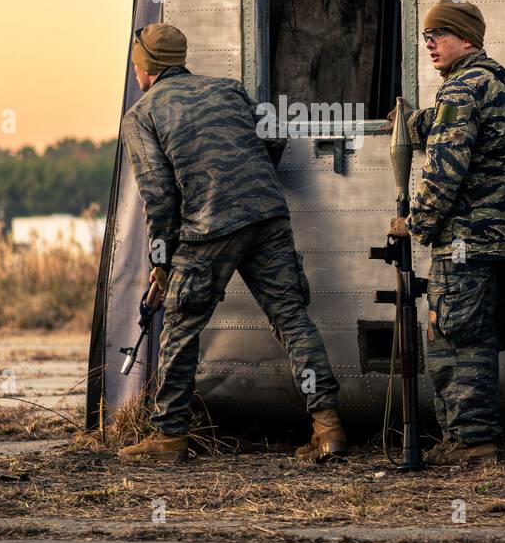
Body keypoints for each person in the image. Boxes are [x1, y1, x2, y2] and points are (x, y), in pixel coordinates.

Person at [117, 23, 346, 463]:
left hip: (208, 229)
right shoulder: (229, 90)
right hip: (268, 217)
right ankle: (328, 426)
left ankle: (169, 437)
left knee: (181, 330)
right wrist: (249, 178)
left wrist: (161, 263)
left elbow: (159, 195)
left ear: (144, 67)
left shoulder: (141, 114)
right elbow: (276, 138)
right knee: (293, 321)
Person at [392, 0, 505, 465]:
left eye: (440, 34)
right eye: (426, 36)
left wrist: (416, 224)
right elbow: (455, 131)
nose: (430, 43)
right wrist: (414, 122)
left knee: (456, 340)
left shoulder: (459, 90)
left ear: (467, 39)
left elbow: (444, 171)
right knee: (481, 339)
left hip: (466, 243)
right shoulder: (498, 81)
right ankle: (476, 438)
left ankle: (472, 443)